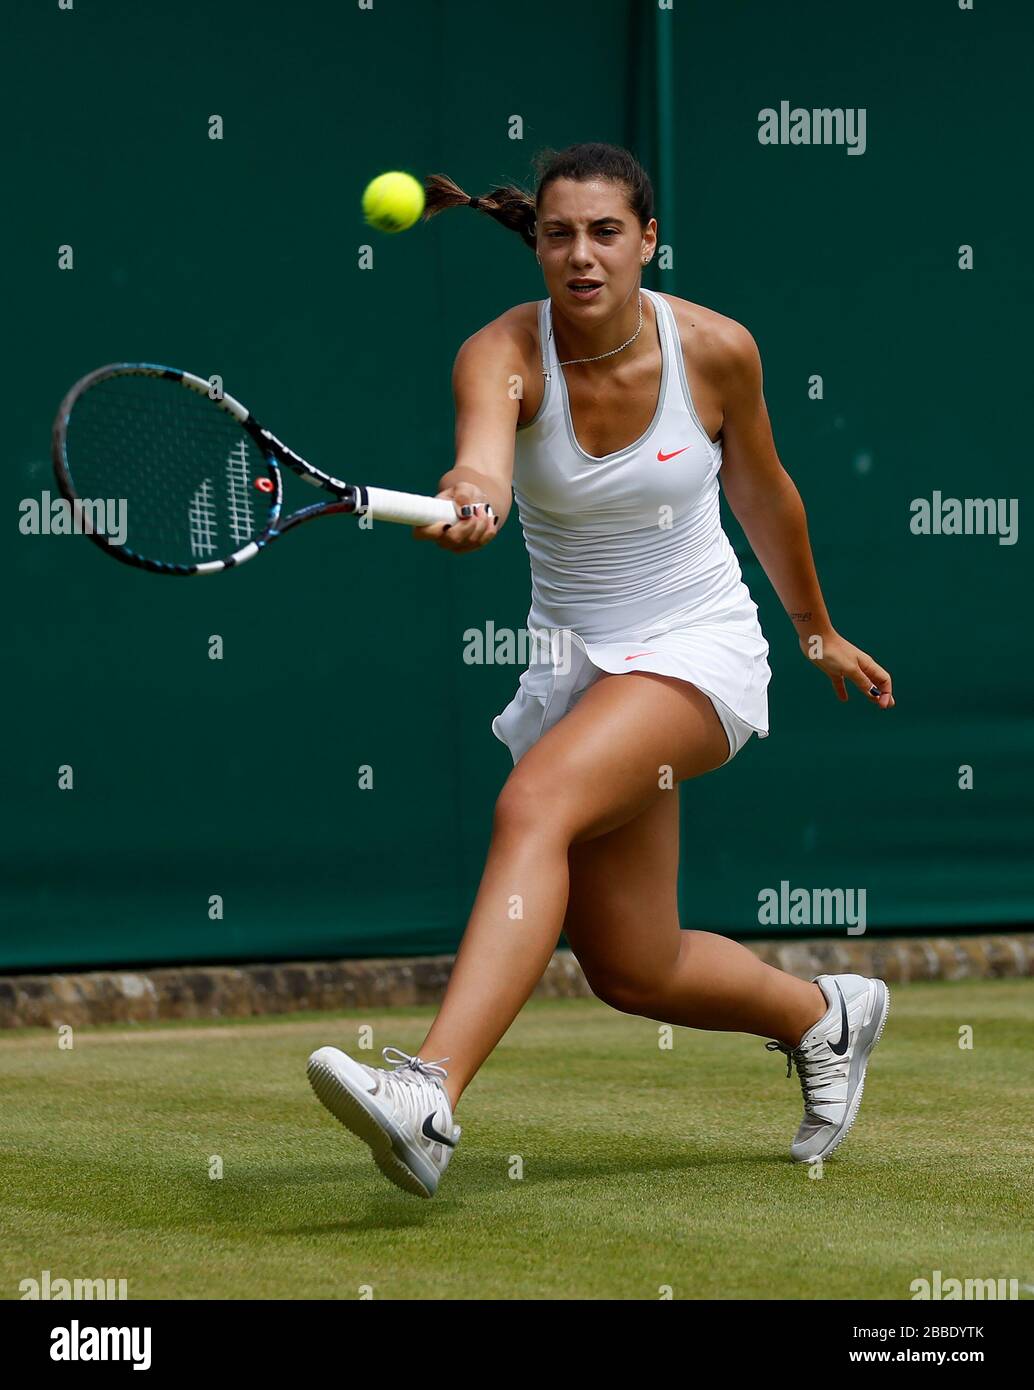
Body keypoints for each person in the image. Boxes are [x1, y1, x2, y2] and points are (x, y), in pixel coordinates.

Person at [307, 142, 894, 1198]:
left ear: (646, 241)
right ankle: (827, 1015)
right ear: (534, 242)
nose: (581, 255)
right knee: (634, 965)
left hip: (698, 646)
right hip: (579, 664)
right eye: (559, 234)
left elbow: (764, 493)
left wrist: (813, 630)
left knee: (532, 803)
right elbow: (480, 460)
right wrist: (471, 499)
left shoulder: (715, 349)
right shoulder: (497, 353)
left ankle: (427, 1093)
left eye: (605, 232)